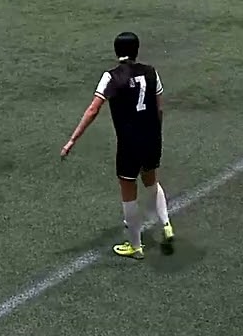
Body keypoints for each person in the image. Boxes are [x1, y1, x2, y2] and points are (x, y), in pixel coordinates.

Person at [61, 32, 174, 259]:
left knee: (128, 191)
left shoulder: (111, 77)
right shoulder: (152, 72)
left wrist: (72, 139)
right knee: (152, 181)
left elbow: (93, 109)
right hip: (152, 137)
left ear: (116, 51)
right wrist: (155, 133)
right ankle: (167, 225)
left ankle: (135, 245)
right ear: (137, 50)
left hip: (129, 142)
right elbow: (159, 108)